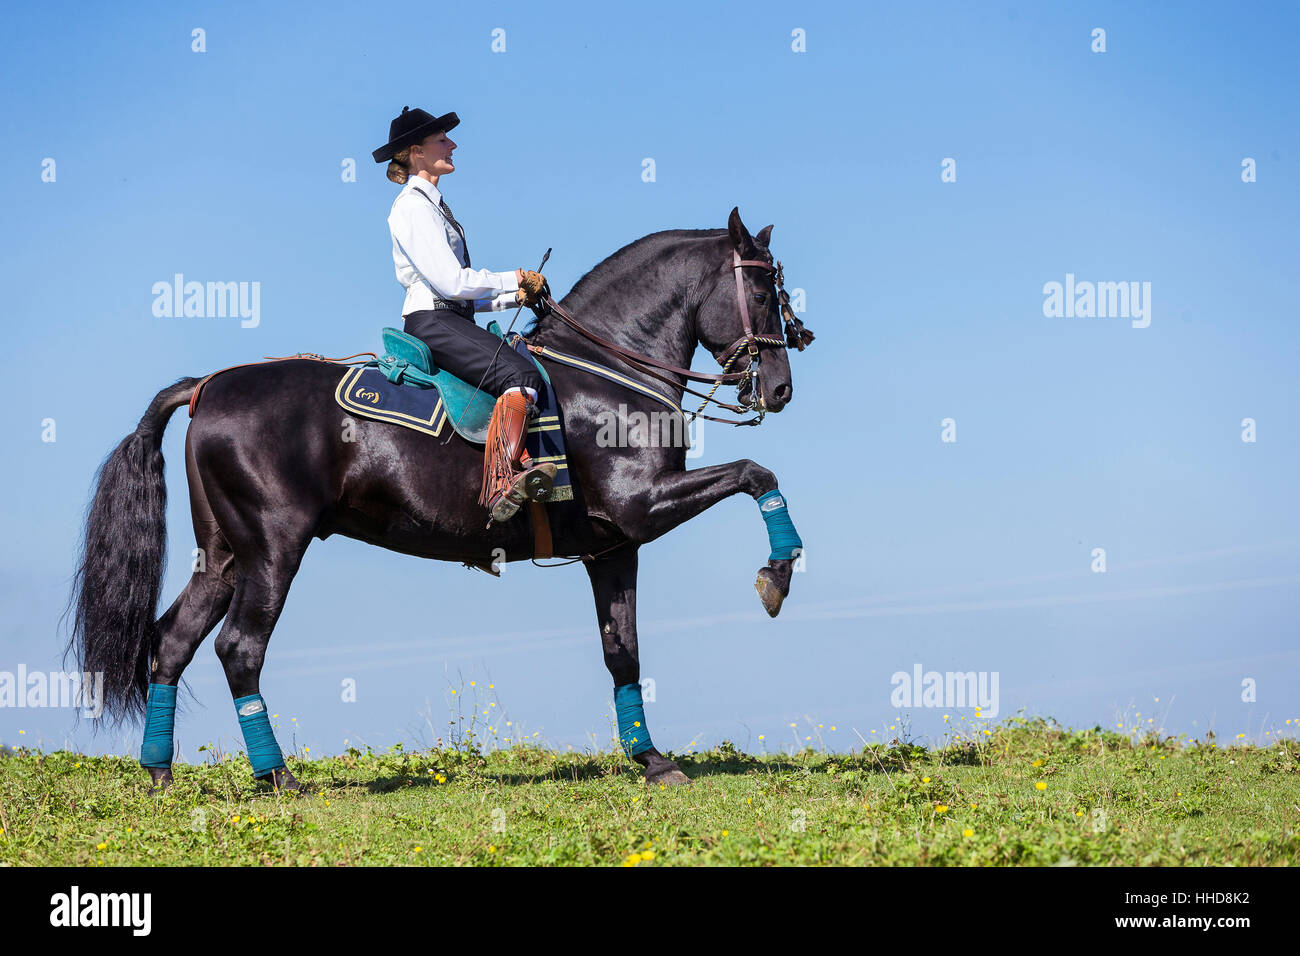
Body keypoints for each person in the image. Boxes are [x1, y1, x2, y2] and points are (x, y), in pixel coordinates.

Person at [372, 105, 556, 522]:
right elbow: (452, 283)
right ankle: (500, 482)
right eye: (442, 140)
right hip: (433, 323)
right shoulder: (412, 207)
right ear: (416, 151)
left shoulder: (434, 205)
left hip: (450, 316)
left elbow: (460, 295)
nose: (452, 144)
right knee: (520, 376)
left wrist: (517, 296)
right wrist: (514, 277)